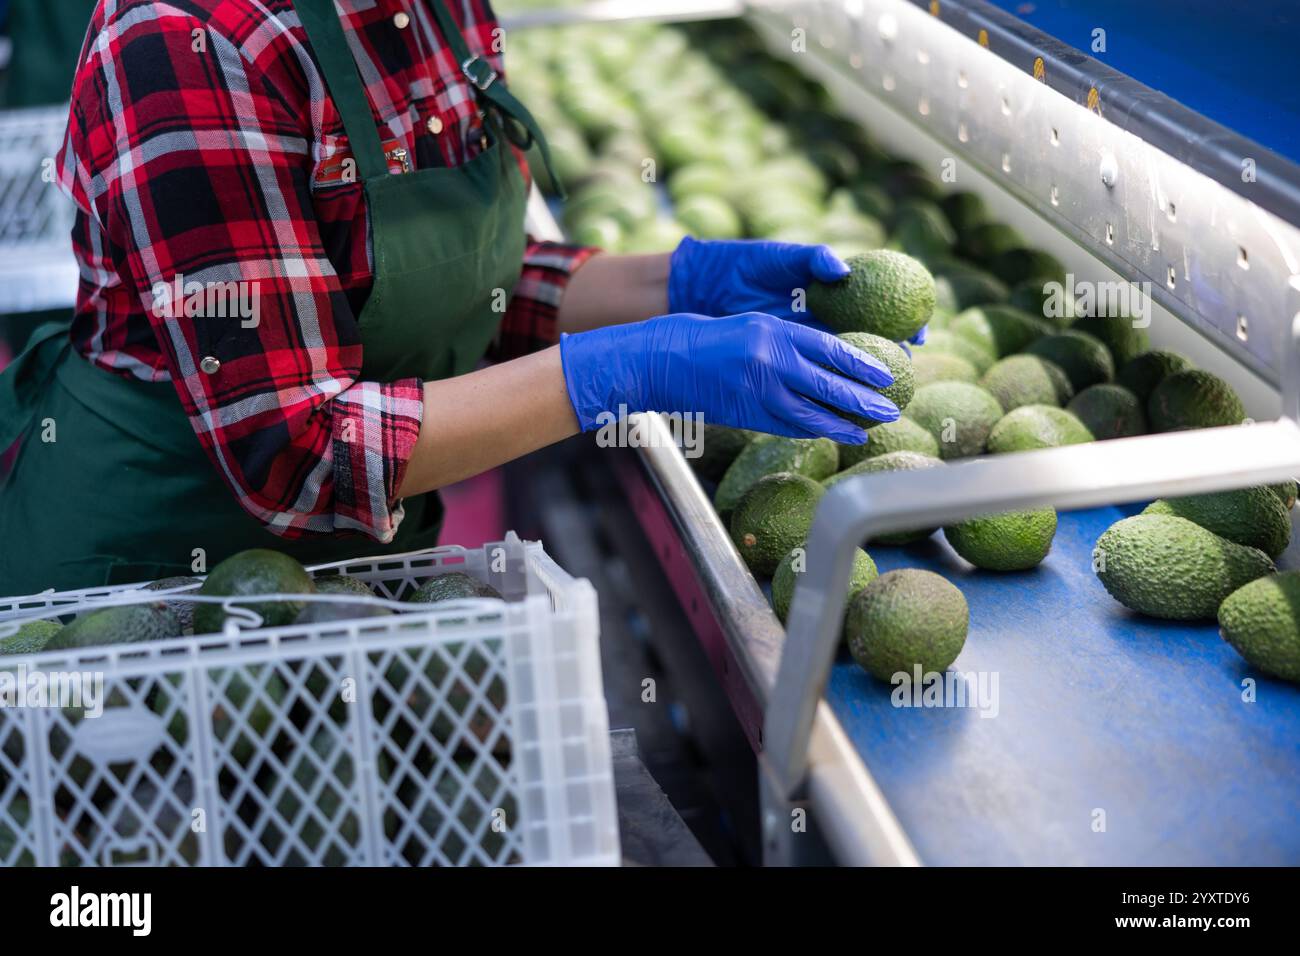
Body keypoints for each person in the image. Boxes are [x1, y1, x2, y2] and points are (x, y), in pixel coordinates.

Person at [0, 0, 903, 595]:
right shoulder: (186, 44)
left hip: (354, 580)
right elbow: (299, 452)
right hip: (159, 591)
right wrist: (625, 371)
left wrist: (676, 284)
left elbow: (465, 289)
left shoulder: (436, 10)